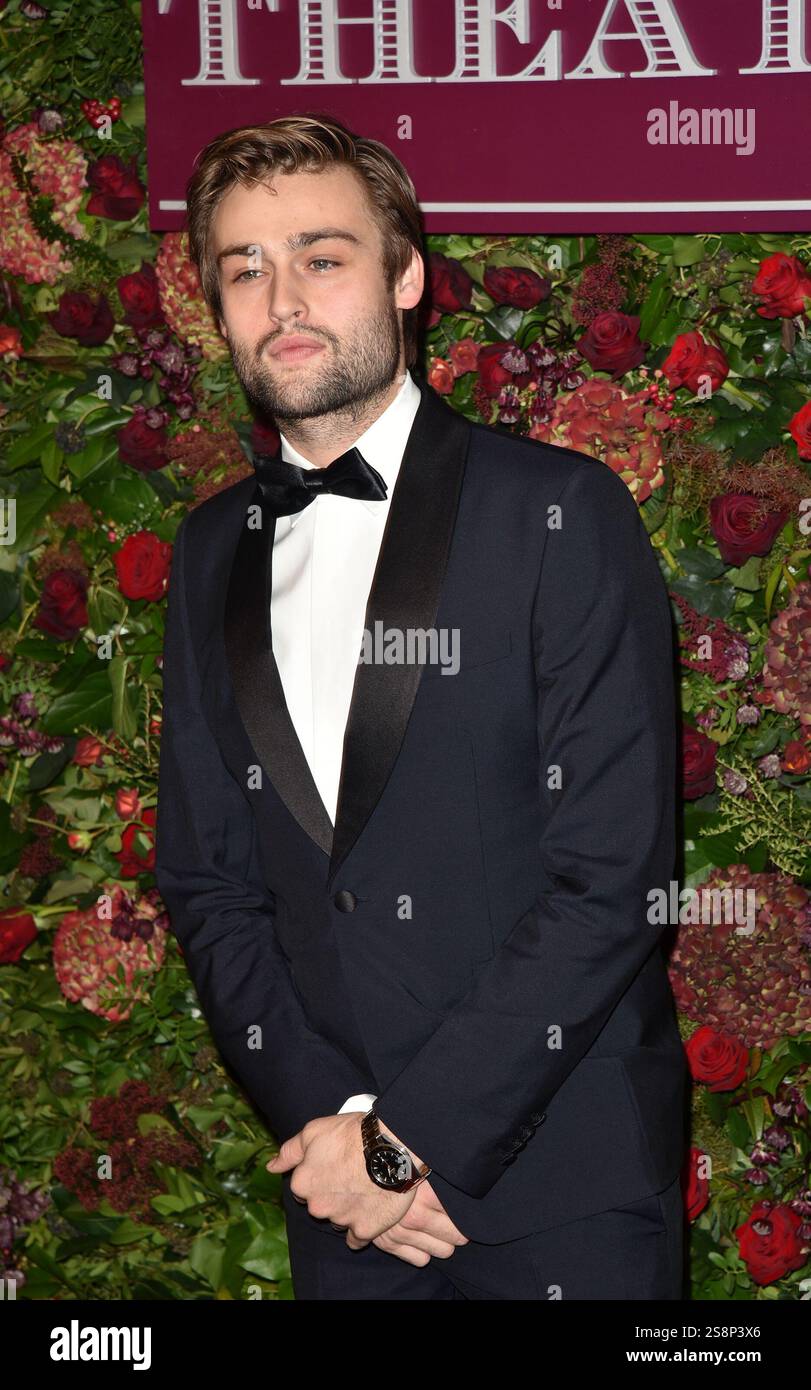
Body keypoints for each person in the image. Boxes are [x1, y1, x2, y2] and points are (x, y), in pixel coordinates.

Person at [154, 113, 687, 1301]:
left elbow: (613, 878)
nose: (281, 295)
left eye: (321, 255)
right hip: (342, 1211)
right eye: (244, 267)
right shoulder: (208, 552)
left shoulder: (559, 513)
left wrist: (407, 1142)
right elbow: (210, 881)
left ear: (405, 277)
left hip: (564, 1198)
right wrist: (338, 1137)